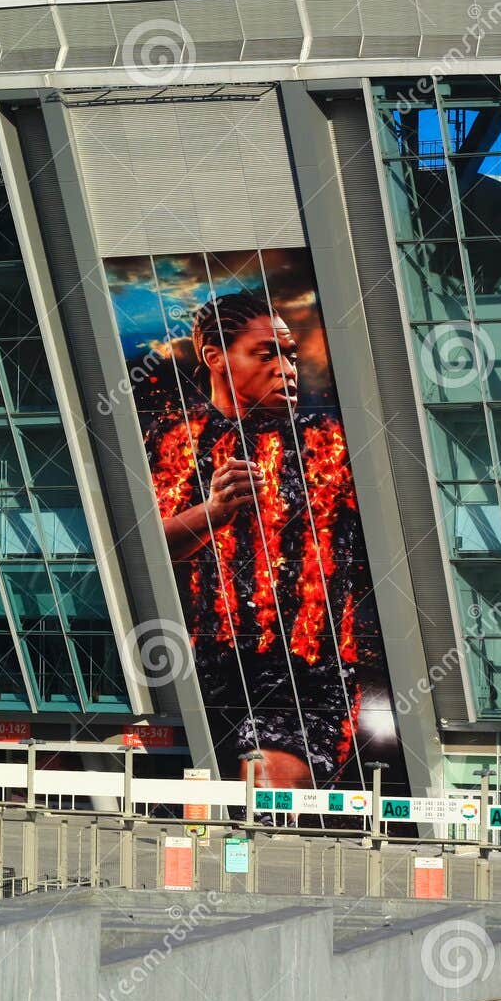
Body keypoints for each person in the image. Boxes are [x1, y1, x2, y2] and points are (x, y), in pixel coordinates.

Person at [142, 291, 375, 788]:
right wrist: (212, 513)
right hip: (201, 671)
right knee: (199, 805)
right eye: (266, 354)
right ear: (215, 357)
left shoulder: (331, 439)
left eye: (290, 356)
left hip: (306, 671)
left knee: (267, 785)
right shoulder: (176, 436)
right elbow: (141, 551)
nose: (286, 370)